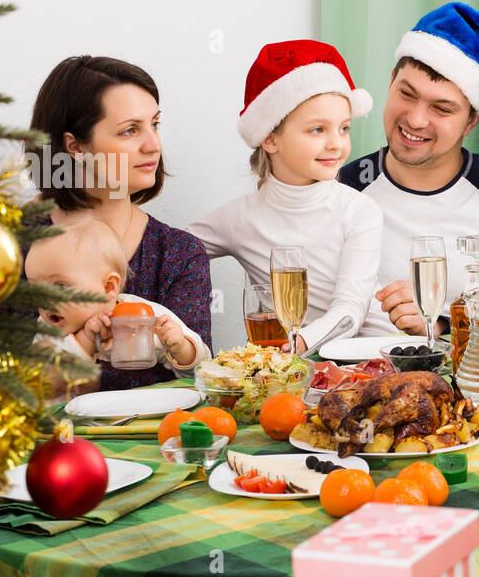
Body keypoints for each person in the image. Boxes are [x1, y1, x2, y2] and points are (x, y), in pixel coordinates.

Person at [340, 1, 479, 336]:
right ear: (390, 82)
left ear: (470, 122)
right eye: (407, 94)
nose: (415, 119)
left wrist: (441, 321)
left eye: (441, 108)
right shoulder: (344, 188)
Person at [29, 56, 212, 389]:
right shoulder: (16, 247)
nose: (153, 144)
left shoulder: (179, 253)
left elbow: (199, 377)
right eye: (130, 130)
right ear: (75, 146)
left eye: (154, 124)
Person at [191, 40, 383, 350]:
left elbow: (351, 311)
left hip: (371, 353)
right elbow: (169, 250)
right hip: (299, 368)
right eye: (318, 130)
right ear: (269, 139)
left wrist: (295, 344)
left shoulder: (360, 211)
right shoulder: (239, 218)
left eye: (344, 128)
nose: (336, 143)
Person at [27, 217, 209, 400]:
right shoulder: (46, 328)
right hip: (69, 425)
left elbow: (203, 371)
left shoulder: (141, 316)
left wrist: (182, 349)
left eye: (60, 286)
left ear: (108, 287)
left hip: (139, 418)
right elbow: (40, 380)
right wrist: (85, 341)